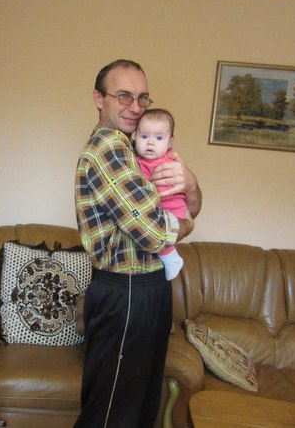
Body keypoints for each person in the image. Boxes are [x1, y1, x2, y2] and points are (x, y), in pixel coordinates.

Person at [74, 59, 201, 428]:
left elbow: (186, 204)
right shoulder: (110, 149)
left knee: (139, 405)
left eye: (143, 97)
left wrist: (191, 183)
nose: (135, 106)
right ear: (99, 99)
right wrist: (187, 223)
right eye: (124, 96)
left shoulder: (138, 148)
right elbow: (155, 233)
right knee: (112, 413)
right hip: (126, 292)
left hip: (146, 287)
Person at [134, 108, 187, 280]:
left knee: (155, 231)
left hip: (171, 208)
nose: (150, 143)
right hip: (161, 209)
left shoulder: (167, 162)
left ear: (170, 142)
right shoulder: (139, 160)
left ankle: (171, 258)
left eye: (158, 138)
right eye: (144, 136)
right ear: (135, 136)